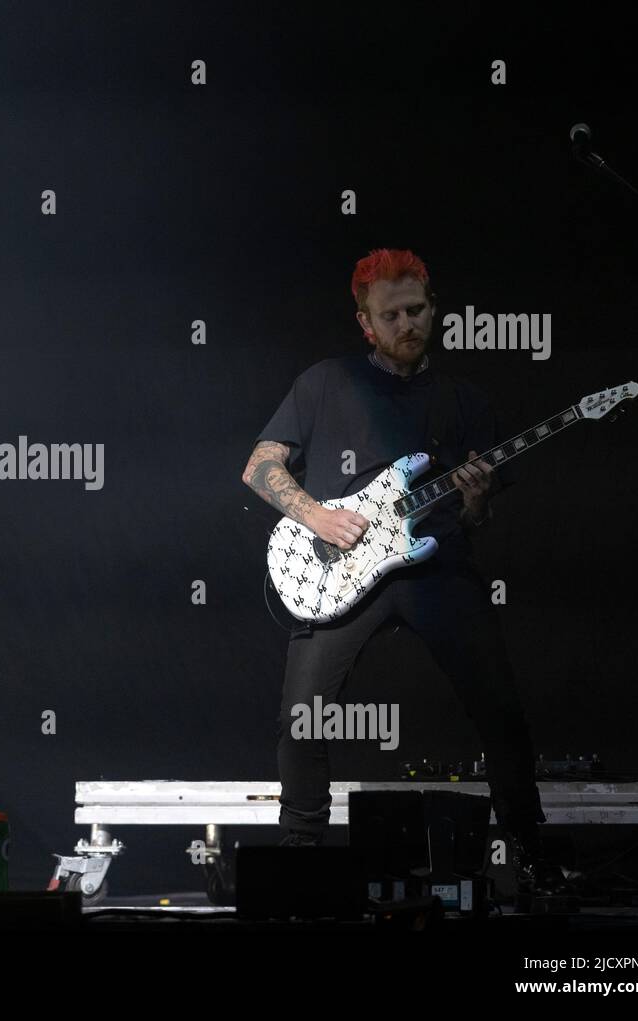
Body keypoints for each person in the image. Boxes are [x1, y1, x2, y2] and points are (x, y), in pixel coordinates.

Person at [241, 248, 573, 902]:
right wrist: (315, 514)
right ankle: (299, 857)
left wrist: (475, 502)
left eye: (417, 310)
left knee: (500, 708)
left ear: (434, 307)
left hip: (435, 566)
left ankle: (532, 856)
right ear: (365, 323)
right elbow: (259, 466)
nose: (407, 324)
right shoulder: (324, 383)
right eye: (390, 315)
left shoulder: (464, 401)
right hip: (338, 569)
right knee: (302, 717)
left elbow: (476, 520)